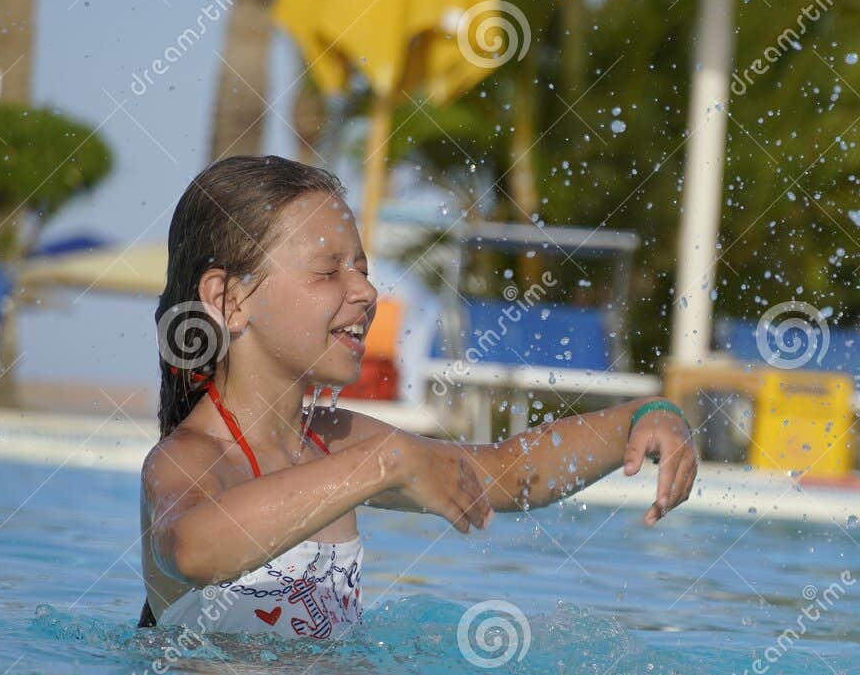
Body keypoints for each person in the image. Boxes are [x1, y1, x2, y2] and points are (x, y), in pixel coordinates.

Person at [138, 156, 698, 636]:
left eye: (361, 267)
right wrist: (384, 463)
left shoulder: (332, 442)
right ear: (229, 300)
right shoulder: (190, 458)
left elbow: (505, 473)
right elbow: (191, 548)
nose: (365, 291)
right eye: (329, 271)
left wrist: (642, 417)